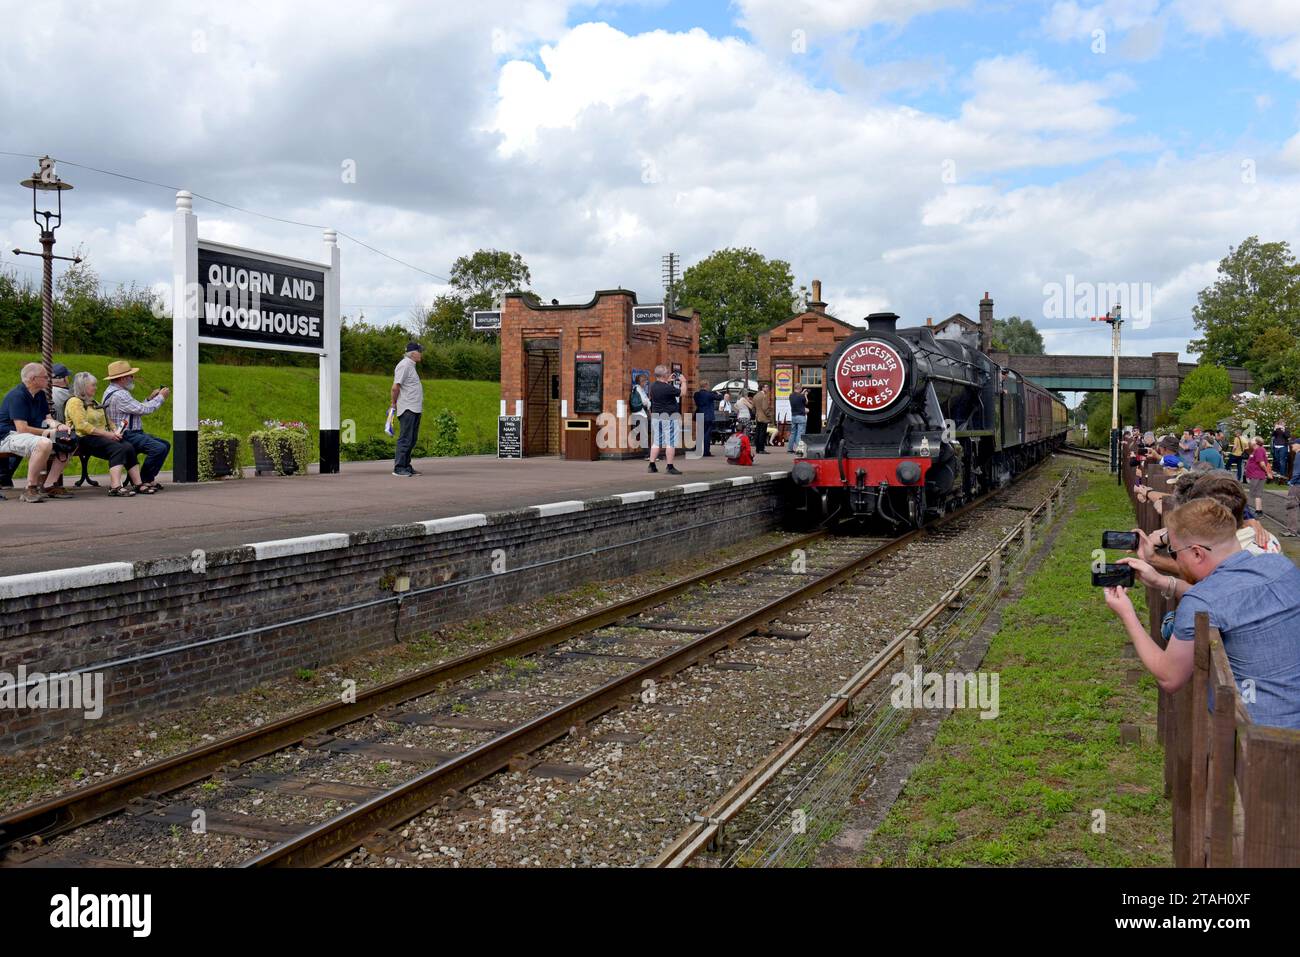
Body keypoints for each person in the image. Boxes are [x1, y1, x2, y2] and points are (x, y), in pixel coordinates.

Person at [1108, 499, 1300, 729]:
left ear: (1197, 553)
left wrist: (1127, 613)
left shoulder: (1201, 601)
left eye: (1174, 552)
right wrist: (1162, 581)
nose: (1175, 559)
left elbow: (1170, 677)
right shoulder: (1279, 565)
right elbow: (1229, 601)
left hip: (1254, 737)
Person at [64, 372, 147, 496]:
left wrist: (115, 431)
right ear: (83, 387)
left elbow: (107, 420)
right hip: (83, 438)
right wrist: (107, 435)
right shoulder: (75, 402)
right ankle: (115, 487)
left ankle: (138, 484)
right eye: (93, 385)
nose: (96, 387)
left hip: (100, 436)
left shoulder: (93, 402)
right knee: (118, 449)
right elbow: (82, 426)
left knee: (129, 447)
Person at [0, 362, 73, 502]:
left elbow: (48, 418)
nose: (49, 379)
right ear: (33, 379)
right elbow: (22, 428)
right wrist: (49, 433)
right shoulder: (17, 396)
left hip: (27, 435)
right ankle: (30, 488)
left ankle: (49, 485)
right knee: (44, 443)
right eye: (45, 377)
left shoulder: (39, 395)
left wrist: (59, 427)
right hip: (8, 436)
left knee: (70, 439)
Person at [101, 360, 170, 491]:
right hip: (126, 434)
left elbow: (137, 408)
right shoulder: (120, 394)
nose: (133, 378)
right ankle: (143, 479)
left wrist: (150, 399)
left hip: (128, 432)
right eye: (130, 376)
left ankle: (147, 478)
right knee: (159, 448)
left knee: (164, 445)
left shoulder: (114, 391)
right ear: (122, 378)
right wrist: (161, 397)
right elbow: (144, 410)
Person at [390, 342, 424, 477]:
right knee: (405, 438)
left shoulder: (411, 366)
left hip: (415, 408)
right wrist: (393, 403)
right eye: (419, 351)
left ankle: (406, 465)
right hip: (407, 408)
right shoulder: (404, 365)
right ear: (413, 353)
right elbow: (395, 387)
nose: (421, 354)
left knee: (412, 439)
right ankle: (399, 468)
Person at [647, 364, 683, 475]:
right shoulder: (668, 388)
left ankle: (652, 465)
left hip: (656, 416)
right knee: (670, 442)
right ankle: (670, 466)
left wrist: (668, 381)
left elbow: (661, 389)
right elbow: (683, 393)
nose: (668, 374)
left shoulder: (652, 386)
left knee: (657, 441)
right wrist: (684, 382)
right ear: (664, 375)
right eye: (667, 373)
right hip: (669, 416)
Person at [1243, 436, 1272, 515]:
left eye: (1252, 439)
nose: (1251, 440)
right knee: (1257, 494)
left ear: (1256, 442)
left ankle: (1249, 510)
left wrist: (1267, 472)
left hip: (1256, 475)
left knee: (1254, 493)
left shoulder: (1259, 450)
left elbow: (1262, 463)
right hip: (1257, 474)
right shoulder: (1256, 450)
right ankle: (1258, 510)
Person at [692, 380, 717, 457]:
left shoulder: (696, 394)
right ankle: (706, 452)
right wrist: (717, 393)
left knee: (699, 434)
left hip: (699, 414)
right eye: (708, 385)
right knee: (706, 434)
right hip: (707, 416)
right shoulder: (709, 394)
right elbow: (720, 397)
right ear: (706, 385)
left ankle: (698, 450)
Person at [630, 374, 651, 456]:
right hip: (640, 415)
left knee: (645, 434)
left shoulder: (640, 389)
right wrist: (648, 402)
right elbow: (645, 402)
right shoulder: (637, 389)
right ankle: (647, 454)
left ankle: (648, 453)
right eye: (645, 381)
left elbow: (647, 402)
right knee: (644, 434)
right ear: (641, 382)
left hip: (642, 414)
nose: (646, 383)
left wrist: (648, 402)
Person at [787, 387, 808, 453]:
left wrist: (802, 393)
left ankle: (790, 449)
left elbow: (798, 397)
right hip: (801, 416)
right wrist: (805, 395)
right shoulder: (802, 396)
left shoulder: (791, 396)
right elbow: (806, 402)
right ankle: (799, 450)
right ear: (800, 389)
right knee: (800, 433)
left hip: (793, 416)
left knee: (793, 433)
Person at [1287, 437, 1300, 539]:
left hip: (1297, 485)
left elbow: (1297, 472)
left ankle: (1292, 530)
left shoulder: (1298, 456)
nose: (1292, 445)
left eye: (1294, 444)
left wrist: (1292, 482)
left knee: (1292, 506)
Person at [753, 383, 771, 454]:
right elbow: (765, 408)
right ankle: (761, 449)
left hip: (757, 417)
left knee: (757, 433)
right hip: (763, 417)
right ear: (762, 388)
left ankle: (757, 449)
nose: (767, 389)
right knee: (762, 434)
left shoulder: (755, 396)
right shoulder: (764, 396)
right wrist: (769, 415)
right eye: (766, 387)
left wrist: (756, 413)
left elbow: (753, 408)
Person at [1271, 420, 1291, 485]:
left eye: (1283, 423)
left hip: (1283, 446)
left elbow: (1287, 436)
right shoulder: (1277, 430)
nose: (1281, 424)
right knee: (1276, 460)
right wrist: (1274, 429)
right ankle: (1278, 473)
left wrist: (1284, 430)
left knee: (1282, 461)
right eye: (1280, 423)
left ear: (1284, 424)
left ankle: (1282, 475)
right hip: (1276, 446)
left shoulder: (1286, 429)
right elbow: (1272, 435)